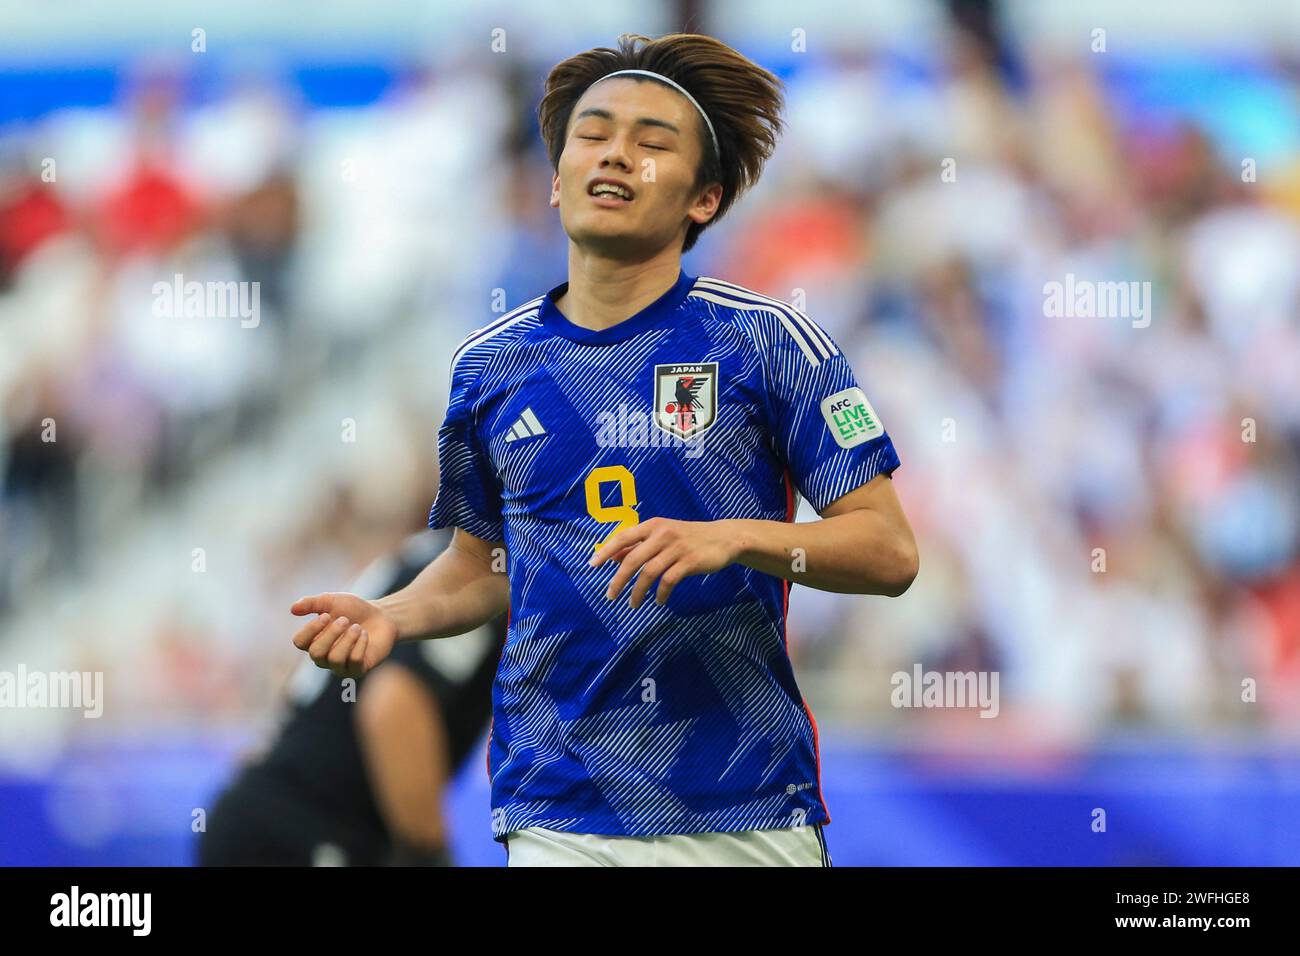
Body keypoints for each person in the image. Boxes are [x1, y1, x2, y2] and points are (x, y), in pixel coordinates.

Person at [291, 32, 918, 867]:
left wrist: (737, 537)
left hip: (744, 807)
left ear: (705, 198)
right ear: (556, 181)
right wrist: (392, 615)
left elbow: (889, 550)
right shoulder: (488, 368)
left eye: (652, 142)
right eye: (592, 135)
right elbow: (481, 568)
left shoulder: (768, 344)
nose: (614, 155)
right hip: (558, 811)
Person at [200, 529, 503, 866]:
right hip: (309, 832)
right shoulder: (479, 574)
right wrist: (430, 852)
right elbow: (394, 702)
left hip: (266, 812)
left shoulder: (435, 555)